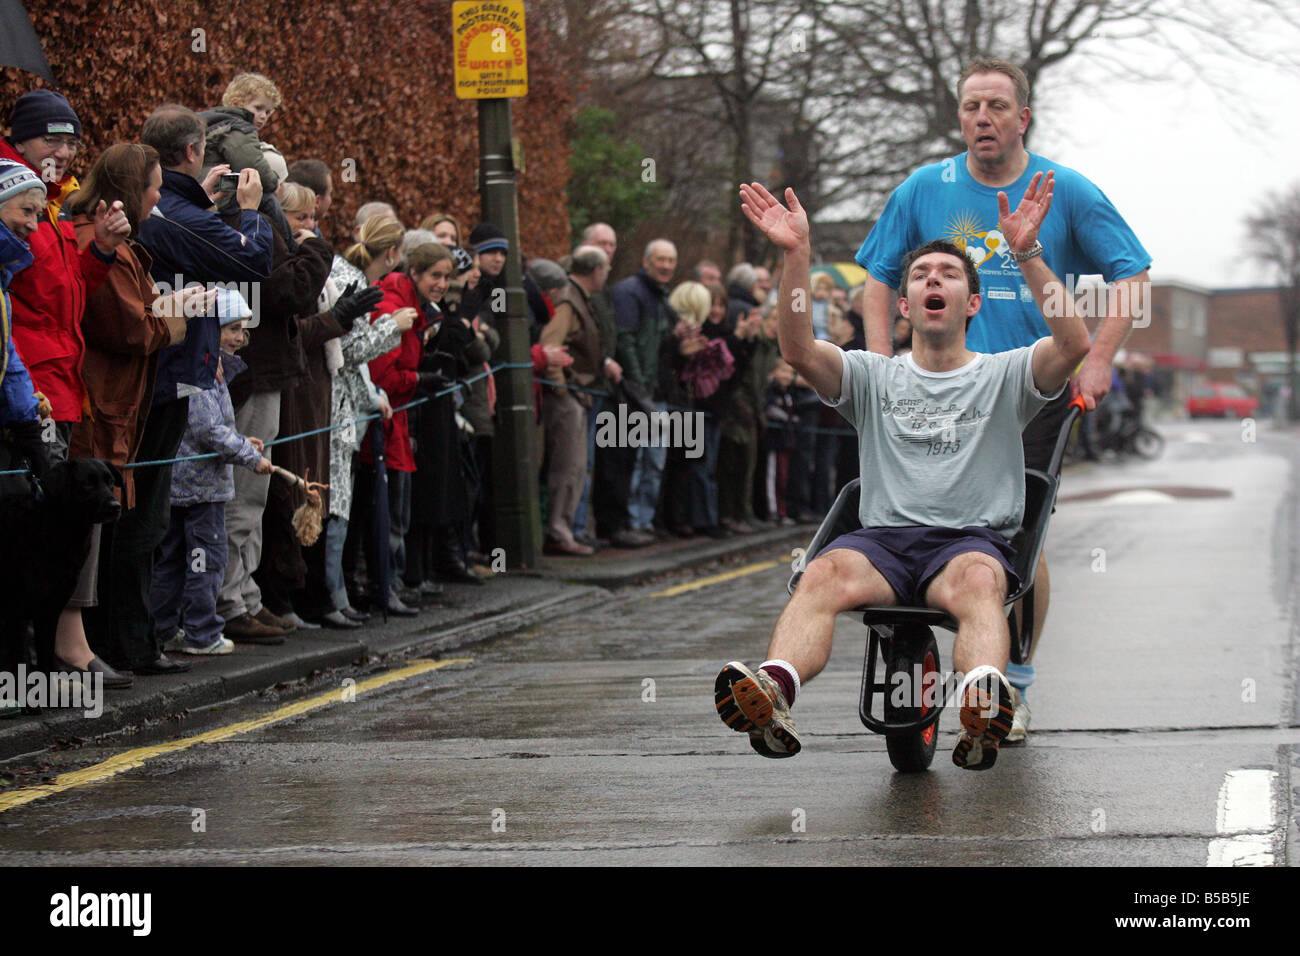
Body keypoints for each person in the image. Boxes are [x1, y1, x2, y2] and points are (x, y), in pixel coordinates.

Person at [718, 173, 1089, 769]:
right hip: (884, 544)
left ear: (971, 304)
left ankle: (983, 701)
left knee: (978, 584)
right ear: (904, 304)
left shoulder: (1003, 374)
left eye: (947, 274)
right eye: (920, 275)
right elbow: (796, 352)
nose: (931, 280)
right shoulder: (873, 374)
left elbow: (1073, 345)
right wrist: (796, 255)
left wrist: (1026, 253)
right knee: (822, 572)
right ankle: (775, 688)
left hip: (968, 544)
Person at [855, 57, 1151, 742]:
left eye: (995, 107)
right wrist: (876, 358)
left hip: (1029, 387)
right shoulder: (926, 187)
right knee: (909, 524)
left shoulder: (1063, 190)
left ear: (1023, 117)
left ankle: (1010, 682)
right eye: (969, 108)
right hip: (934, 388)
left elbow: (1131, 273)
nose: (981, 119)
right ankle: (924, 655)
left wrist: (1099, 356)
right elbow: (878, 275)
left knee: (1018, 534)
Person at [2, 91, 133, 686]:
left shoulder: (49, 203)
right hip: (31, 387)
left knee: (61, 527)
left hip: (56, 379)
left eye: (72, 141)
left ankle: (56, 649)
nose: (62, 151)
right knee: (34, 528)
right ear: (21, 139)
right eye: (51, 139)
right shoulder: (16, 195)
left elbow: (66, 291)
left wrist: (99, 250)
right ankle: (45, 653)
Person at [152, 297, 273, 655]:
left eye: (242, 330)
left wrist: (239, 440)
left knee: (173, 560)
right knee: (205, 559)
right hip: (202, 489)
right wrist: (250, 455)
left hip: (182, 484)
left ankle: (163, 627)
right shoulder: (202, 373)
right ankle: (202, 632)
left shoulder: (201, 368)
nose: (239, 337)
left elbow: (209, 429)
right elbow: (208, 429)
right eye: (232, 328)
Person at [539, 246, 609, 555]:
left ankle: (564, 528)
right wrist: (561, 391)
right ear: (596, 270)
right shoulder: (569, 300)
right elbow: (550, 345)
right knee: (567, 467)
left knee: (577, 467)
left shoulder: (578, 296)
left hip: (579, 394)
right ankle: (558, 531)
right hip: (567, 396)